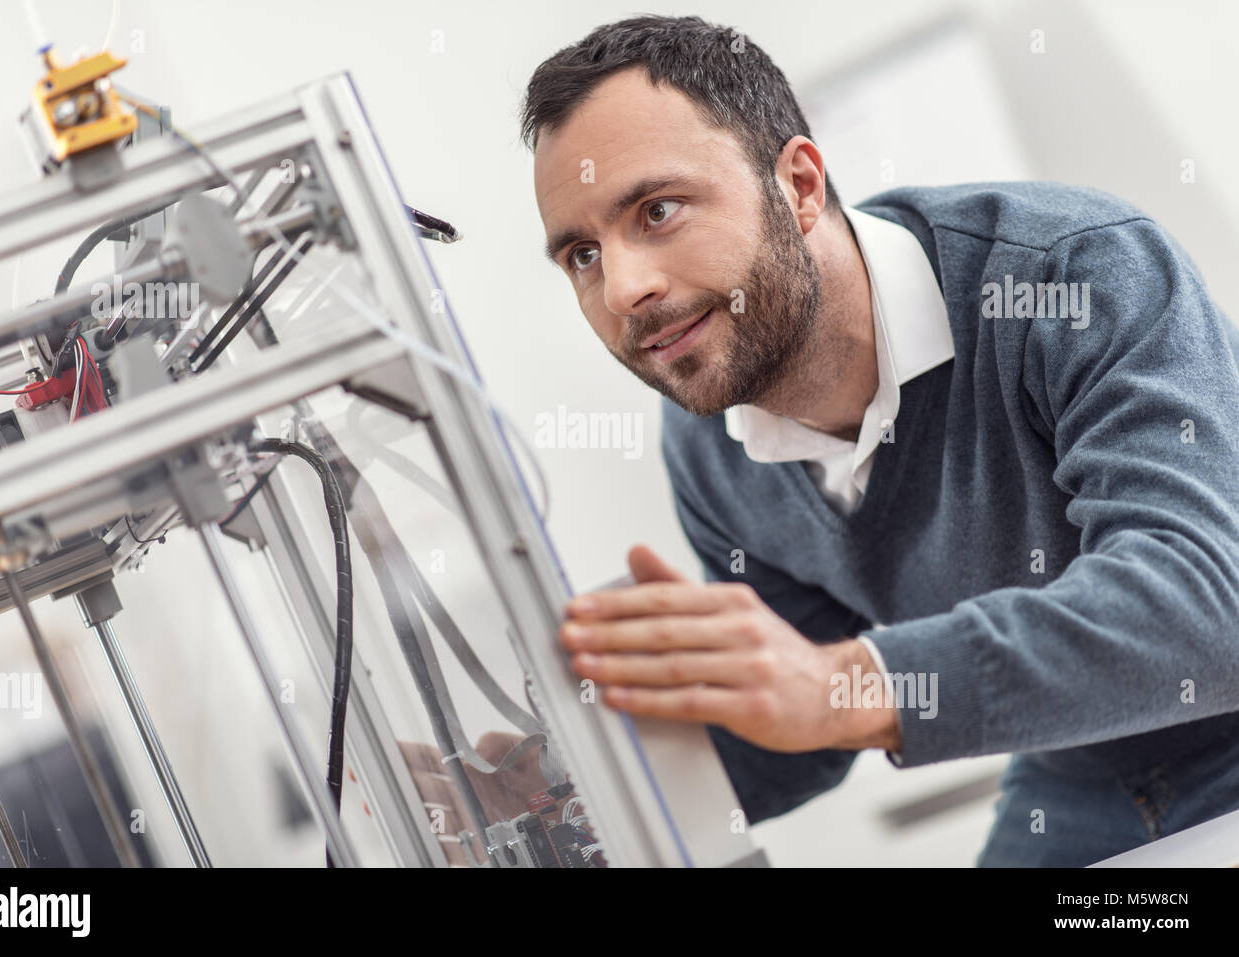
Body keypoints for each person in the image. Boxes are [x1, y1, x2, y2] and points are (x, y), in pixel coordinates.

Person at [521, 14, 1239, 866]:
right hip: (1078, 771)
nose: (626, 287)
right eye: (582, 256)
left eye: (660, 209)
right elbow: (801, 725)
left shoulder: (1068, 273)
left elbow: (1210, 604)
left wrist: (845, 684)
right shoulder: (707, 442)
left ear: (798, 183)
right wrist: (560, 788)